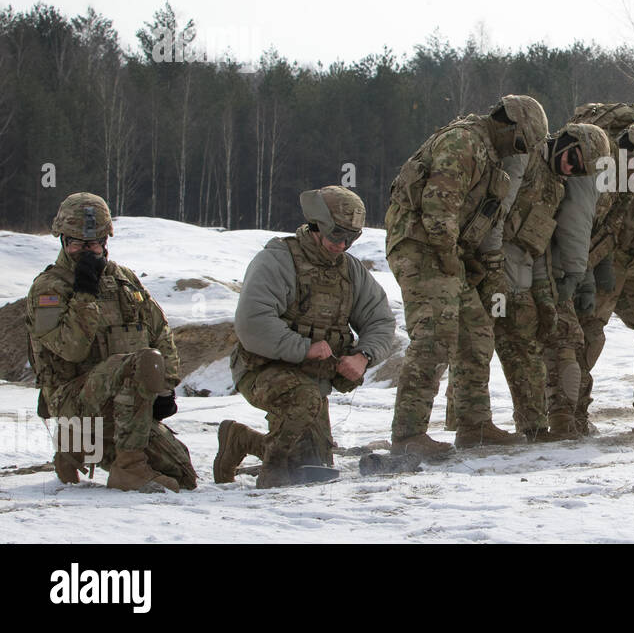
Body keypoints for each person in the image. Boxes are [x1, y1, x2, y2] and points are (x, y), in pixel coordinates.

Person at [386, 95, 549, 453]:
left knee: (475, 335)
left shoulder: (490, 155)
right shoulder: (464, 143)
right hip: (420, 246)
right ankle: (408, 434)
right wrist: (449, 258)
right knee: (435, 336)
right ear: (508, 125)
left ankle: (475, 426)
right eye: (521, 143)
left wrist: (473, 264)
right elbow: (438, 207)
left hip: (445, 250)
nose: (520, 152)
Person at [216, 185, 396, 488]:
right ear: (317, 227)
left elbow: (381, 320)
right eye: (337, 236)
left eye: (351, 239)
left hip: (312, 381)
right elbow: (252, 323)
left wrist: (363, 356)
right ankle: (272, 472)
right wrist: (304, 348)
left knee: (313, 468)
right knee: (303, 404)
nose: (342, 246)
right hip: (262, 371)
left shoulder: (350, 270)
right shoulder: (276, 260)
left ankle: (239, 440)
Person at [26, 192, 197, 492]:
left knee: (182, 474)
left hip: (125, 408)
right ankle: (126, 467)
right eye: (76, 243)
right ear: (63, 241)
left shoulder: (124, 280)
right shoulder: (49, 289)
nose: (85, 252)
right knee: (138, 362)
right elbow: (72, 348)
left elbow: (160, 333)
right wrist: (84, 294)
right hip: (73, 402)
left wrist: (163, 387)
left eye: (92, 244)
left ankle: (82, 449)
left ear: (105, 241)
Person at [492, 122, 609, 440]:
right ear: (565, 141)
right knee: (485, 342)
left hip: (524, 266)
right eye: (573, 158)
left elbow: (538, 242)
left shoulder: (556, 186)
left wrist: (552, 295)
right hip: (491, 261)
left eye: (579, 168)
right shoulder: (524, 158)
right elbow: (494, 214)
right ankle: (475, 425)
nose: (571, 168)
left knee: (555, 336)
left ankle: (547, 425)